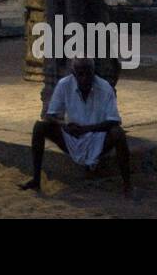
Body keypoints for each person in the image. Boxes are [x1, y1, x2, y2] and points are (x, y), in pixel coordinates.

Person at [19, 58, 132, 195]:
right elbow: (50, 115)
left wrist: (87, 129)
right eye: (80, 74)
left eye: (88, 74)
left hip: (97, 138)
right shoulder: (64, 84)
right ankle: (36, 179)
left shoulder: (104, 87)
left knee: (118, 133)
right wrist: (65, 126)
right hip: (72, 137)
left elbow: (114, 121)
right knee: (40, 127)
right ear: (73, 73)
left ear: (93, 72)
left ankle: (128, 184)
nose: (84, 78)